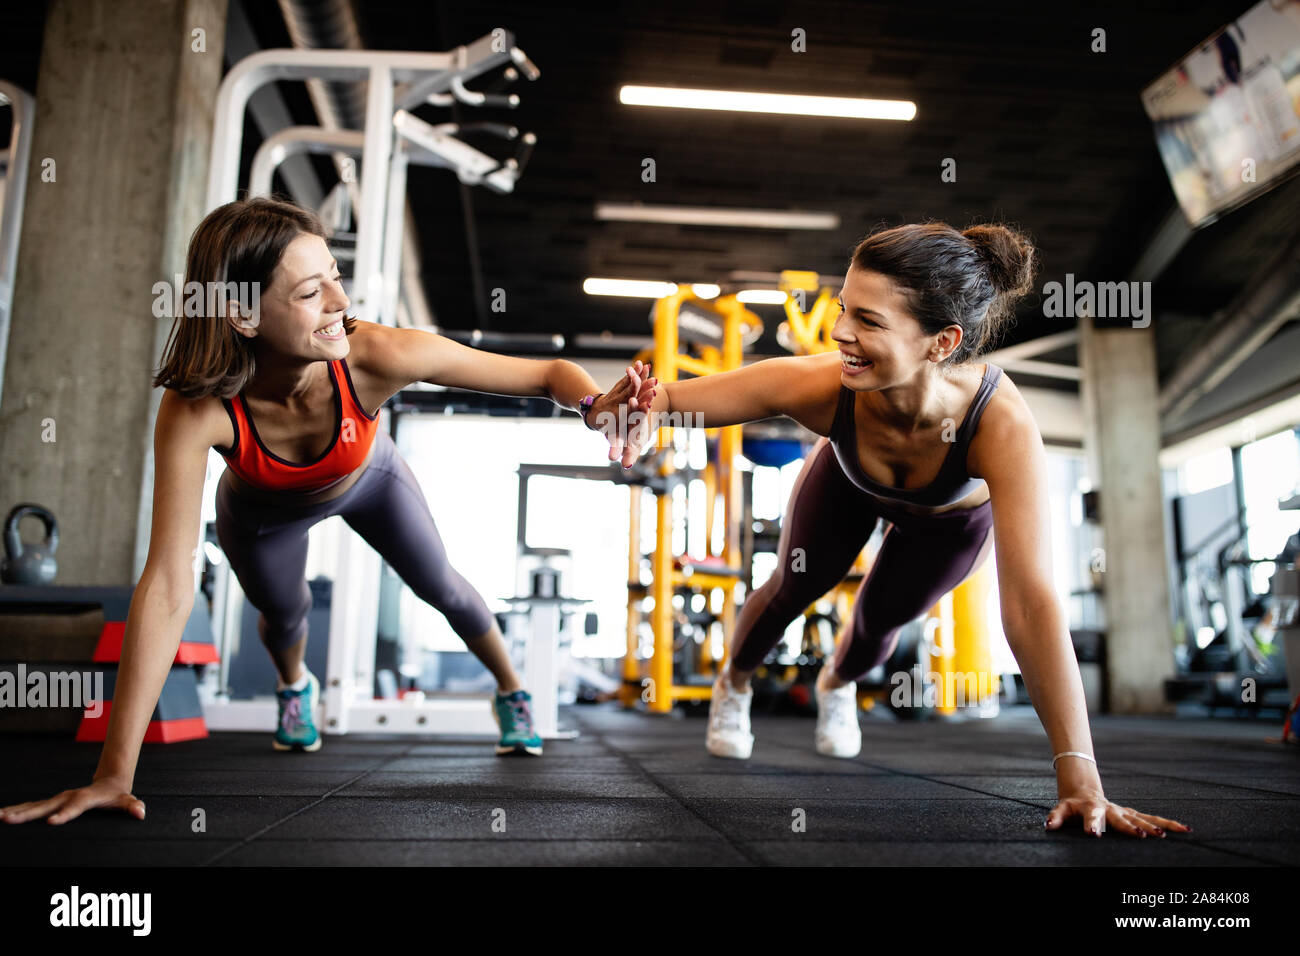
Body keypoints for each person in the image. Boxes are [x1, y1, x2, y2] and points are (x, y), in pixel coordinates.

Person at [0, 196, 653, 825]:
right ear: (243, 315)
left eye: (335, 278)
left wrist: (597, 408)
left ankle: (511, 690)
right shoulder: (196, 406)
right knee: (284, 614)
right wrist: (115, 774)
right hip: (261, 511)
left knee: (443, 587)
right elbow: (169, 583)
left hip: (368, 477)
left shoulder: (377, 354)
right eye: (312, 293)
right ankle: (295, 689)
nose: (342, 304)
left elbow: (546, 373)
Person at [601, 222, 1193, 839]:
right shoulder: (825, 386)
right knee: (792, 588)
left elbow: (1028, 602)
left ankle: (835, 682)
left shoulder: (1001, 424)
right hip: (849, 483)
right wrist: (638, 412)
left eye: (869, 321)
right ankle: (734, 682)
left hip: (948, 523)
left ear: (942, 343)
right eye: (842, 310)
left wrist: (1080, 778)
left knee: (879, 623)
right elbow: (674, 398)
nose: (840, 334)